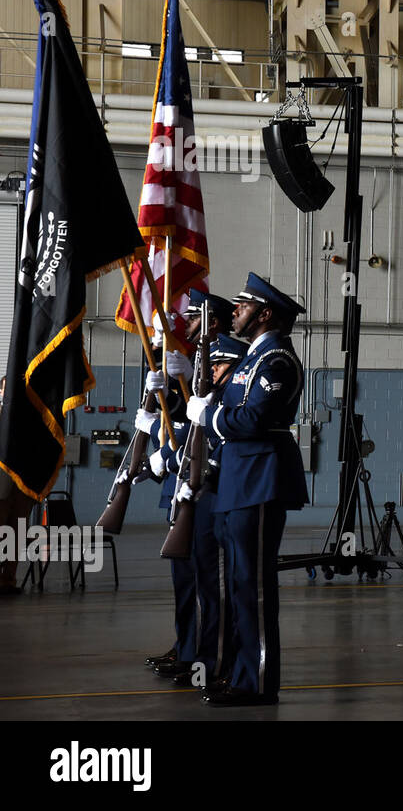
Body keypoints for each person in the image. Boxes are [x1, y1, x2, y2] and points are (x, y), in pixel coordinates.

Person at [188, 273, 308, 706]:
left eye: (244, 306)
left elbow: (253, 420)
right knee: (239, 584)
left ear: (265, 314)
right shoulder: (251, 359)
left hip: (259, 481)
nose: (235, 311)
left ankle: (256, 683)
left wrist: (211, 417)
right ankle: (241, 673)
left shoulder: (276, 360)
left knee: (253, 586)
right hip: (240, 481)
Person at [142, 289, 236, 680]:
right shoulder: (195, 365)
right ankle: (187, 646)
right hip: (182, 485)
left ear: (212, 322)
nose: (184, 321)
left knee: (205, 582)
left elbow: (204, 430)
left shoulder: (219, 371)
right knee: (185, 579)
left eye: (193, 315)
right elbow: (178, 422)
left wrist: (169, 454)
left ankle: (205, 656)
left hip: (206, 488)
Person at [155, 333, 247, 692]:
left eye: (218, 364)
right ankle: (193, 654)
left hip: (216, 497)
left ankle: (210, 662)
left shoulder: (225, 400)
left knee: (214, 588)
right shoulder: (208, 399)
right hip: (196, 495)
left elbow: (216, 446)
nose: (212, 370)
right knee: (194, 584)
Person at [0, 377, 27, 596]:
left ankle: (8, 579)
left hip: (21, 486)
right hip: (0, 484)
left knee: (16, 534)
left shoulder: (28, 418)